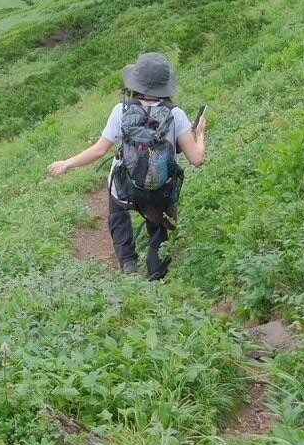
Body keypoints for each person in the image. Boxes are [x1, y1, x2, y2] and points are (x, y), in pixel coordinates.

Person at [46, 52, 206, 279]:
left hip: (124, 188)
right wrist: (199, 134)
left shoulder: (120, 111)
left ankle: (128, 263)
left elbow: (100, 150)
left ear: (136, 83)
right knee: (158, 223)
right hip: (158, 189)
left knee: (117, 213)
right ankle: (156, 272)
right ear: (165, 86)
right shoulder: (176, 115)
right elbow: (197, 159)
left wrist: (67, 163)